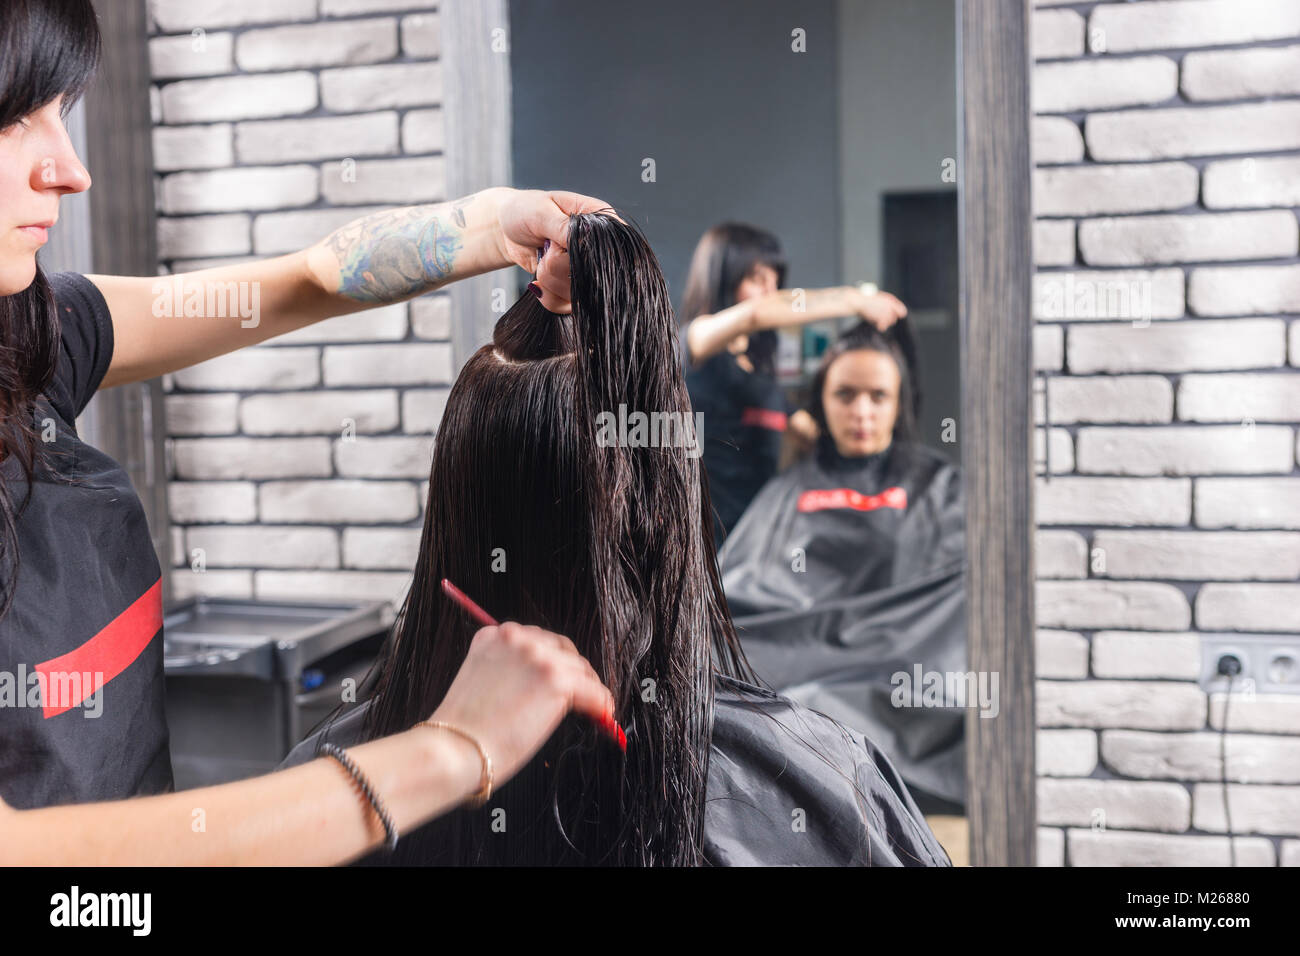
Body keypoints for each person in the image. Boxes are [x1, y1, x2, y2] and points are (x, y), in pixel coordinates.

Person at [0, 0, 618, 864]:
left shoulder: (30, 337)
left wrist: (492, 224)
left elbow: (300, 283)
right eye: (13, 123)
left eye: (61, 117)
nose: (70, 172)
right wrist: (447, 752)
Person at [283, 212, 952, 867]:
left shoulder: (319, 793)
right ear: (668, 509)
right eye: (754, 279)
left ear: (453, 507)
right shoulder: (821, 780)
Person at [719, 321, 968, 814]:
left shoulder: (939, 486)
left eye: (878, 396)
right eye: (845, 395)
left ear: (898, 403)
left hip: (898, 664)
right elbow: (740, 589)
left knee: (815, 708)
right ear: (822, 402)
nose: (861, 412)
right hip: (796, 655)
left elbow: (957, 593)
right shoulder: (789, 489)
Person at [677, 223, 908, 549]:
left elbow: (812, 434)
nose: (770, 293)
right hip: (702, 548)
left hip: (756, 547)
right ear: (723, 280)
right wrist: (855, 300)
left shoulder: (762, 380)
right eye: (757, 280)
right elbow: (754, 314)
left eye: (775, 282)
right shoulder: (694, 342)